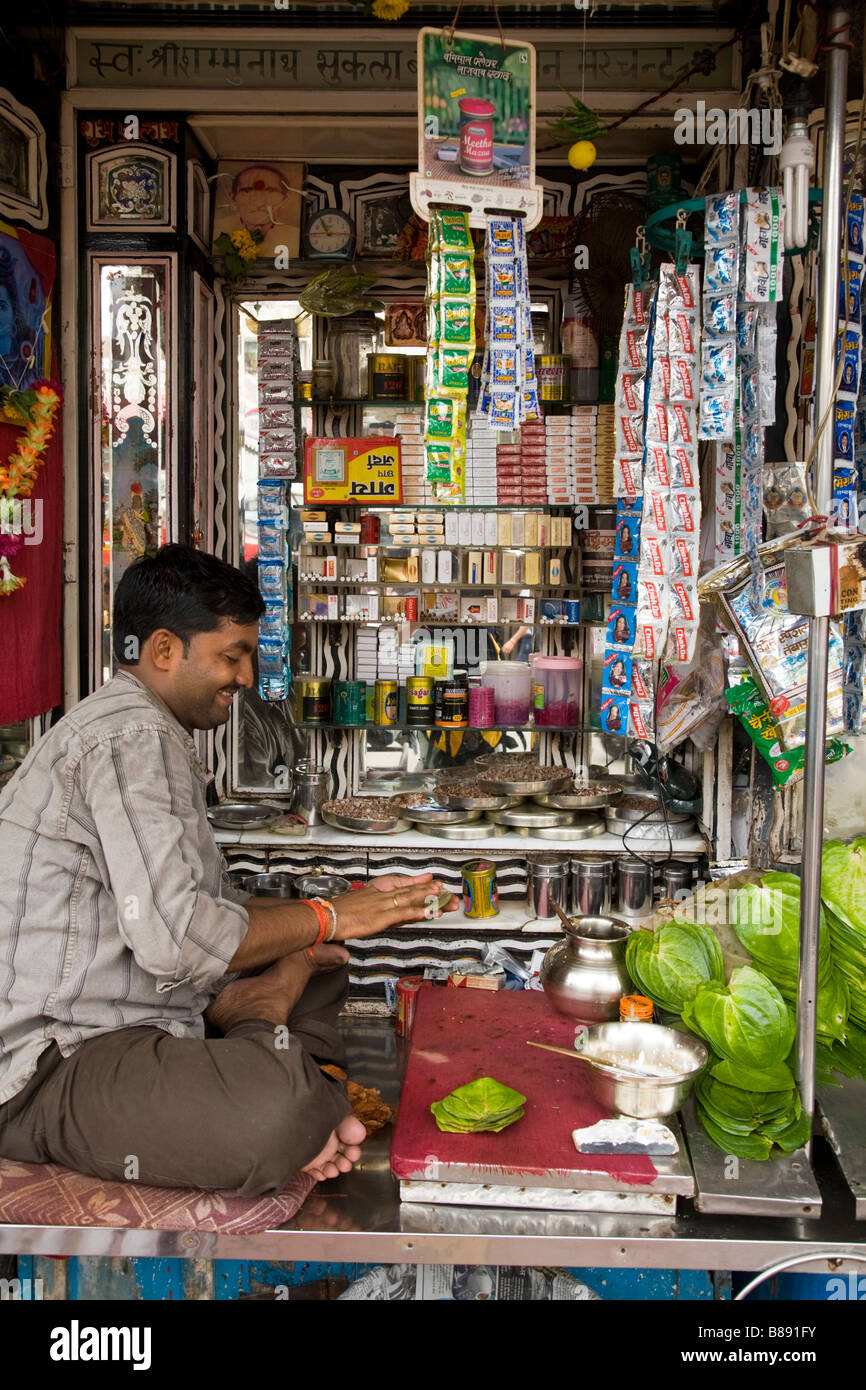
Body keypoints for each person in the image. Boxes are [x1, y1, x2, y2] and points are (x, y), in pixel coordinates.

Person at [0, 545, 457, 1195]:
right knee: (278, 1112)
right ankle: (271, 1046)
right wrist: (329, 915)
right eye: (232, 655)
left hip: (134, 1020)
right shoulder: (131, 736)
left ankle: (263, 1024)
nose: (245, 677)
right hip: (52, 1064)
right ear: (165, 651)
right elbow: (182, 940)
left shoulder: (146, 729)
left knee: (323, 963)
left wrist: (337, 916)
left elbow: (201, 910)